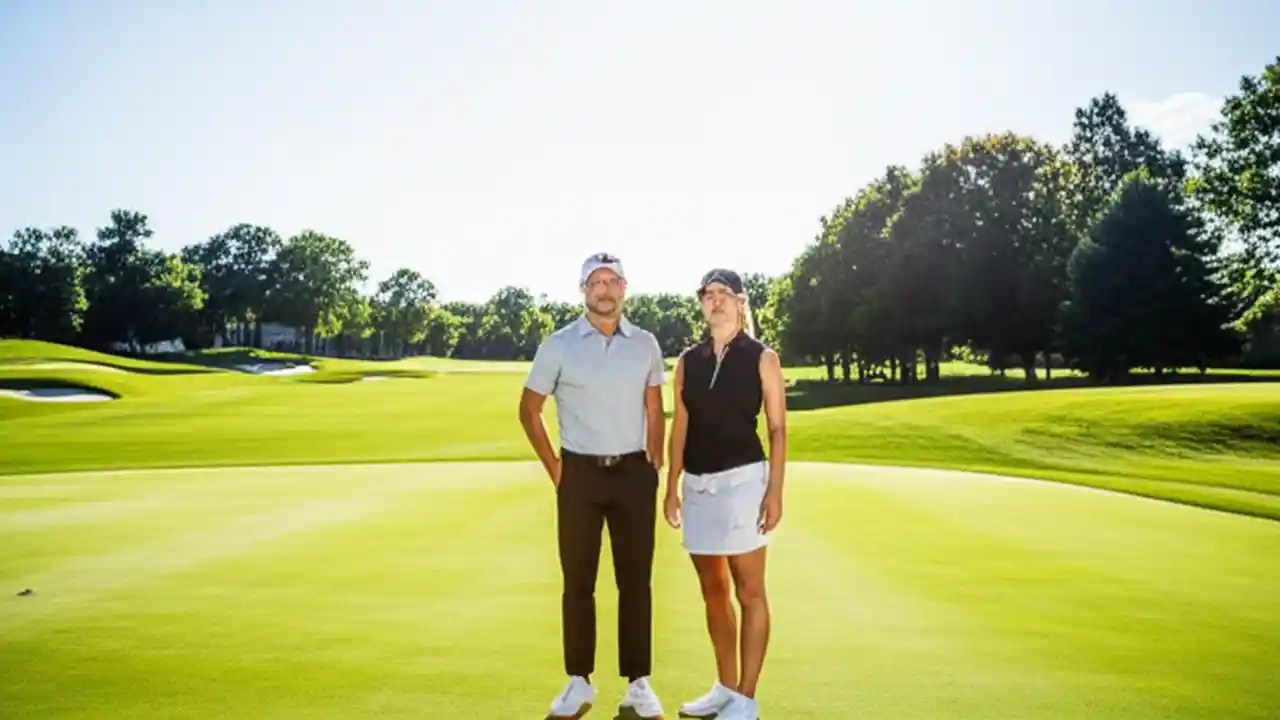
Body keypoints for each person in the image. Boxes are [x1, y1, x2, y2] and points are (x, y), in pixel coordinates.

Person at [519, 252, 669, 720]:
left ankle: (638, 684)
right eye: (595, 282)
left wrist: (654, 465)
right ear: (583, 291)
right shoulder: (559, 345)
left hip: (632, 474)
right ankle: (578, 681)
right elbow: (529, 408)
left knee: (636, 582)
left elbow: (654, 408)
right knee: (578, 581)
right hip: (579, 474)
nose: (604, 290)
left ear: (624, 289)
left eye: (612, 281)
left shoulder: (645, 343)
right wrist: (556, 469)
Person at [662, 268, 786, 720]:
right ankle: (725, 686)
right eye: (708, 294)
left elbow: (776, 427)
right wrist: (671, 484)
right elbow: (682, 425)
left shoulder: (762, 357)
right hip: (698, 485)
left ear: (740, 304)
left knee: (749, 590)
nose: (715, 301)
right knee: (713, 589)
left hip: (744, 482)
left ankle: (746, 700)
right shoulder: (688, 360)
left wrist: (775, 489)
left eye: (724, 294)